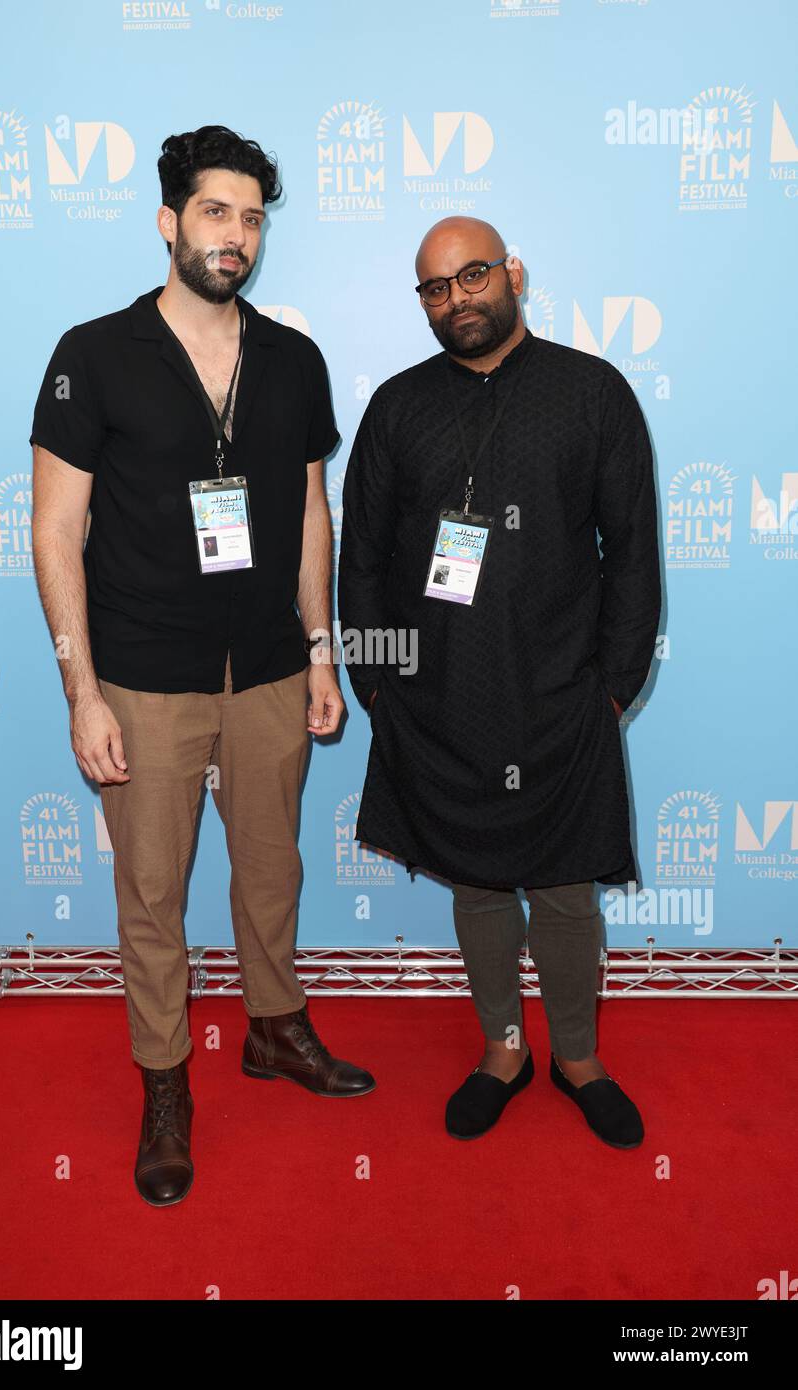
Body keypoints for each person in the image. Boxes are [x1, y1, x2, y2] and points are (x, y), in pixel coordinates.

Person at [30, 125, 375, 1210]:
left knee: (273, 871)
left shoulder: (293, 357)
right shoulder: (95, 351)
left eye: (254, 217)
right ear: (170, 220)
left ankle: (274, 1029)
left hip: (272, 667)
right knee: (152, 892)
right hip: (141, 675)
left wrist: (322, 650)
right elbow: (53, 532)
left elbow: (315, 513)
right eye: (217, 212)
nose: (237, 236)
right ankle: (166, 1082)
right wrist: (82, 691)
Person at [338, 216, 661, 1148]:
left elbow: (632, 555)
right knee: (477, 888)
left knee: (564, 888)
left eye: (472, 276)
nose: (457, 300)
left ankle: (578, 1056)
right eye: (435, 288)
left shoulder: (592, 393)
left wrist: (612, 687)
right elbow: (362, 563)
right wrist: (380, 685)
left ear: (511, 273)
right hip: (436, 701)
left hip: (564, 694)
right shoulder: (397, 408)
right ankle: (503, 1049)